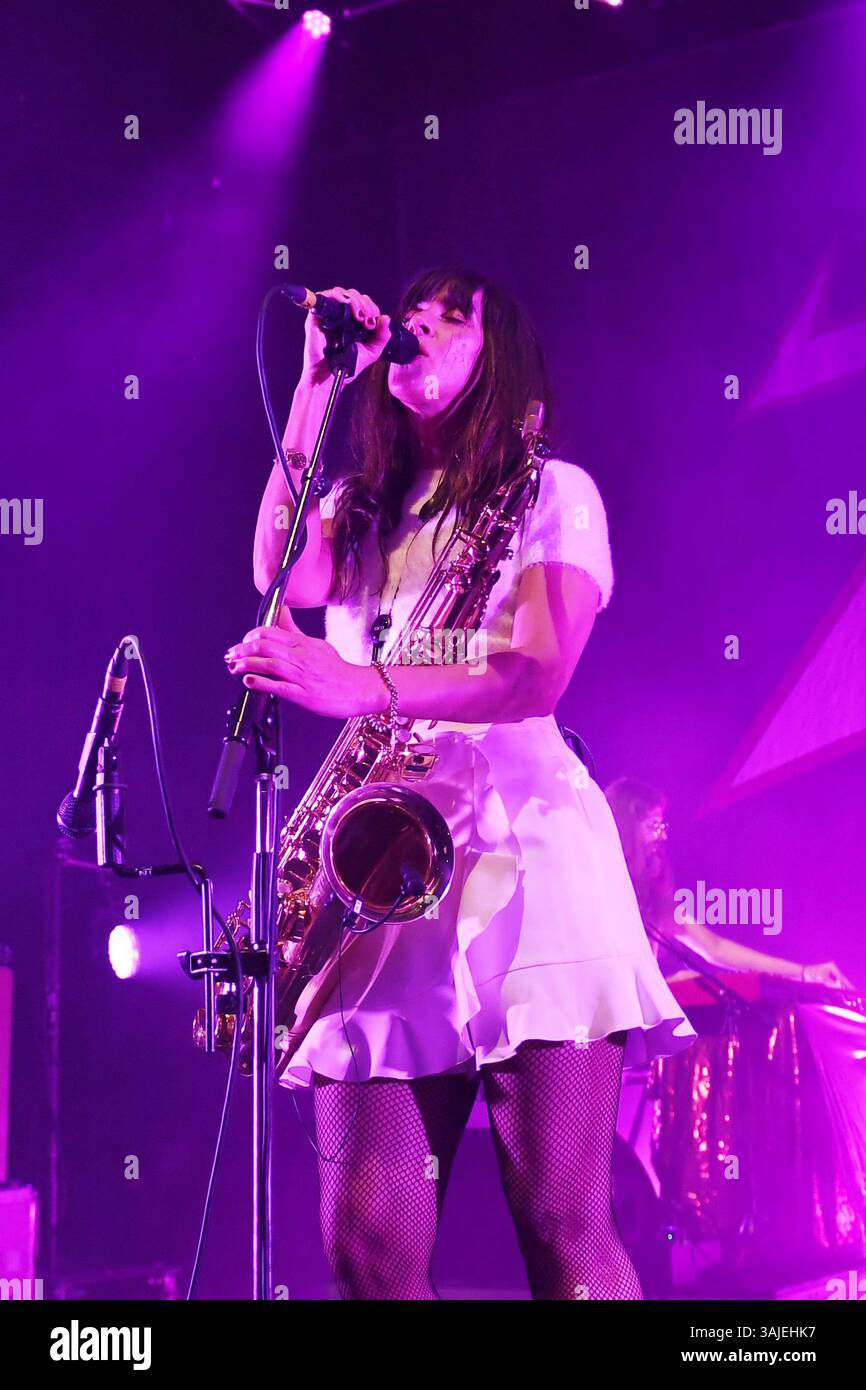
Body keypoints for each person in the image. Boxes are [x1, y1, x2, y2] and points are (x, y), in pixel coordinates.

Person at [225, 267, 696, 1301]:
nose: (421, 320)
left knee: (561, 1225)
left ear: (501, 348)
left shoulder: (549, 493)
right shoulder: (357, 507)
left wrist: (356, 682)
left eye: (452, 309)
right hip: (379, 876)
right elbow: (278, 569)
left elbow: (534, 673)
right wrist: (318, 382)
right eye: (414, 308)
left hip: (525, 858)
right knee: (366, 1248)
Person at [604, 777, 853, 989]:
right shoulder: (598, 886)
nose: (664, 835)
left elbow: (715, 947)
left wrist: (804, 972)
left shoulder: (655, 897)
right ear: (627, 829)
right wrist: (670, 986)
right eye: (653, 826)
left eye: (663, 825)